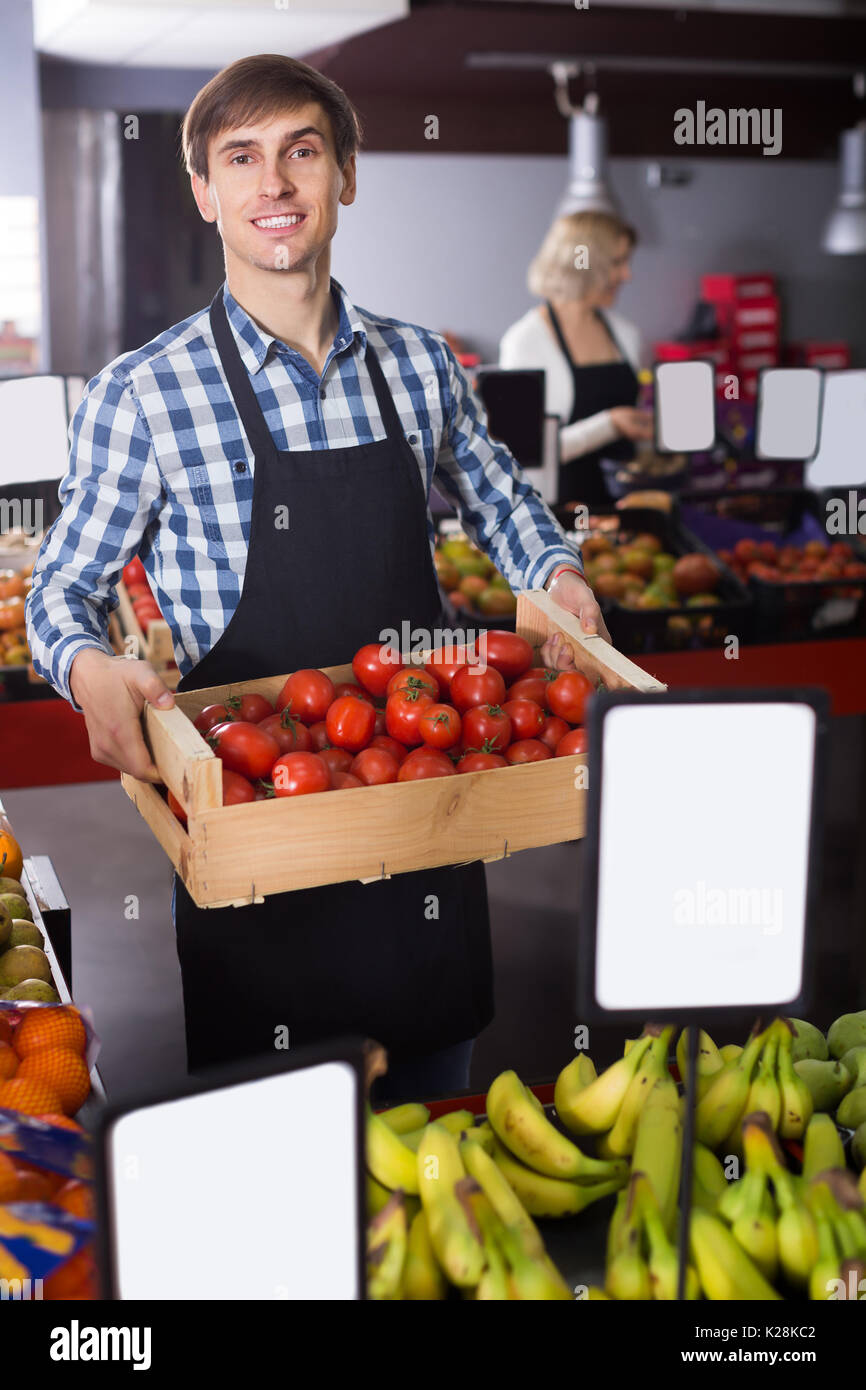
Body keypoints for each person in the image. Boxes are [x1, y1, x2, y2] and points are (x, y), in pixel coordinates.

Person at [26, 54, 607, 1104]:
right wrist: (84, 669)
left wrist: (555, 574)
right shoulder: (143, 394)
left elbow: (504, 506)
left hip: (421, 794)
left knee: (441, 1127)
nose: (274, 185)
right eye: (240, 159)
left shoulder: (421, 364)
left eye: (301, 150)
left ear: (346, 172)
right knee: (279, 1150)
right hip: (252, 819)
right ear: (205, 193)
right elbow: (56, 593)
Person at [499, 210, 653, 507]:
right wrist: (611, 424)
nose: (627, 275)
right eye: (617, 263)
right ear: (584, 264)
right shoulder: (524, 343)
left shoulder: (626, 334)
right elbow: (523, 453)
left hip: (627, 508)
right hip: (559, 513)